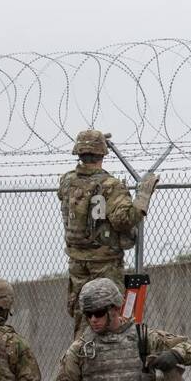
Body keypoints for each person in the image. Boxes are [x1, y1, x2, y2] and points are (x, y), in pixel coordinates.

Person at [57, 129, 158, 337]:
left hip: (76, 261)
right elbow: (124, 220)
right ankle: (110, 357)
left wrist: (92, 140)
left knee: (83, 314)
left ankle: (82, 355)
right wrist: (143, 195)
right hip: (105, 262)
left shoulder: (67, 181)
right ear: (103, 153)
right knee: (110, 315)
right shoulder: (110, 185)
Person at [55, 278, 191, 381]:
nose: (93, 319)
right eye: (88, 314)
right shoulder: (82, 348)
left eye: (98, 313)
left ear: (116, 308)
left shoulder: (142, 338)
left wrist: (175, 355)